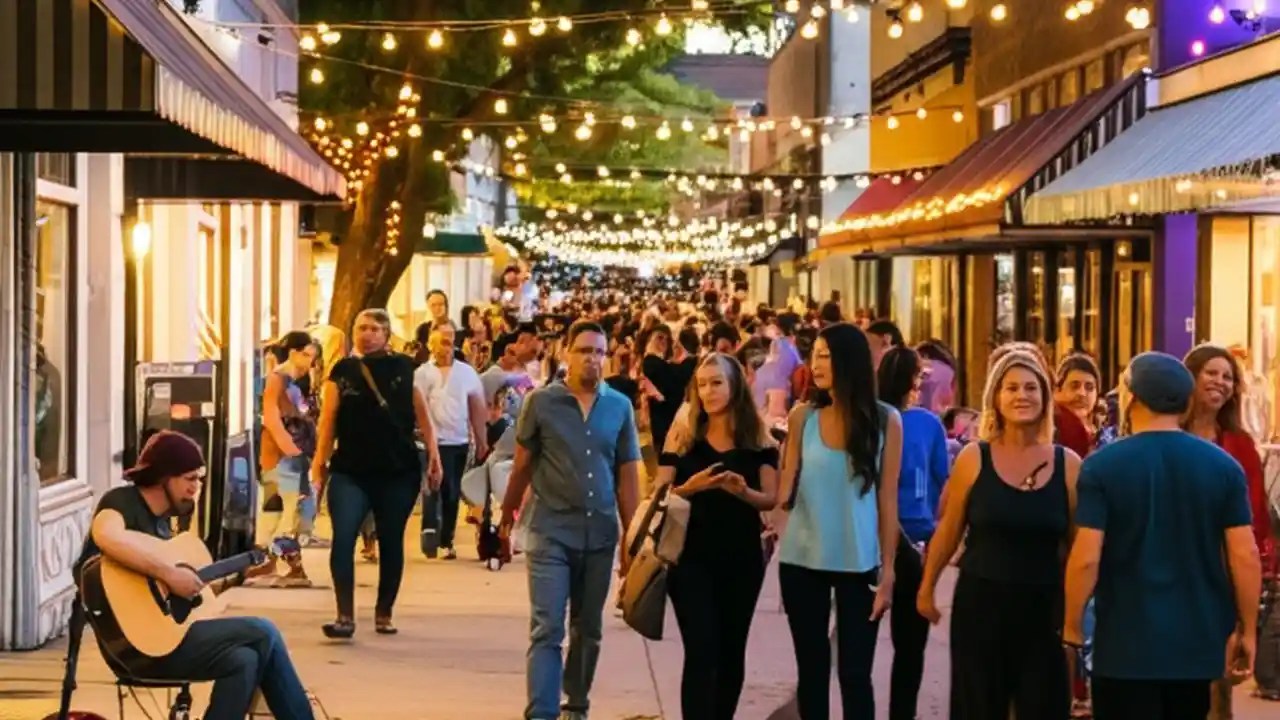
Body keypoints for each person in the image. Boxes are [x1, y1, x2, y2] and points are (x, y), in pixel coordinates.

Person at [1064, 352, 1263, 720]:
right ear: (1186, 401)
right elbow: (1244, 556)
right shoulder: (1224, 467)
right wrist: (1247, 629)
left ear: (1131, 397)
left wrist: (1072, 626)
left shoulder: (1102, 467)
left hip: (1124, 649)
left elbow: (1087, 557)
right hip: (1196, 648)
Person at [74, 431, 315, 720]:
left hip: (165, 641)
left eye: (198, 479)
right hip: (136, 648)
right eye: (189, 479)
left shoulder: (166, 530)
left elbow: (187, 606)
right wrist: (168, 574)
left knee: (244, 660)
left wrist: (240, 575)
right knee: (264, 629)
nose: (196, 487)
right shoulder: (121, 502)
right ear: (163, 476)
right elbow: (105, 535)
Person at [918, 348, 1080, 720]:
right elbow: (949, 529)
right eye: (1011, 388)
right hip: (982, 604)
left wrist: (1075, 613)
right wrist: (927, 587)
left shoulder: (1068, 465)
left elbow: (1078, 546)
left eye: (1030, 388)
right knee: (978, 707)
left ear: (1044, 397)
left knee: (1043, 706)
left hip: (1044, 609)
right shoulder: (975, 458)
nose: (1022, 395)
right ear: (996, 397)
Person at [499, 320, 643, 720]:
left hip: (599, 535)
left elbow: (628, 476)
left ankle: (576, 704)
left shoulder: (619, 406)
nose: (592, 359)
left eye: (599, 351)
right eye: (583, 350)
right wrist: (505, 518)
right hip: (550, 531)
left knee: (588, 629)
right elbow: (523, 467)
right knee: (547, 627)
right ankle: (541, 712)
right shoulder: (542, 402)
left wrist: (632, 539)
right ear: (565, 353)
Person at [774, 322, 903, 720]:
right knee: (812, 674)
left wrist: (888, 570)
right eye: (815, 355)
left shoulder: (885, 421)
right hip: (801, 561)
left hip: (859, 563)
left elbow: (887, 500)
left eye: (827, 356)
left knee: (855, 675)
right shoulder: (802, 418)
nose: (817, 365)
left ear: (850, 361)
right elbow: (784, 495)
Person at [657, 352, 778, 720]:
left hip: (741, 558)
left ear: (734, 385)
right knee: (701, 648)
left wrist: (742, 491)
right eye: (702, 384)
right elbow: (659, 496)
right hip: (690, 557)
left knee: (731, 649)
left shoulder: (759, 442)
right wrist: (689, 488)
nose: (709, 392)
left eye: (717, 383)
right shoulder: (683, 438)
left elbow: (771, 498)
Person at [311, 308, 443, 638]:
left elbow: (422, 415)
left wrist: (434, 455)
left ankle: (384, 612)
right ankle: (345, 616)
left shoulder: (404, 368)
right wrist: (318, 463)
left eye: (374, 328)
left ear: (386, 334)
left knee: (390, 539)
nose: (366, 334)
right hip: (350, 470)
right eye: (361, 327)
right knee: (342, 538)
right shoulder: (341, 371)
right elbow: (328, 420)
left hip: (397, 470)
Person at [1181, 344, 1274, 718]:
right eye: (1211, 373)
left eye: (1228, 377)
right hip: (1167, 568)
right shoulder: (1166, 432)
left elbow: (1255, 519)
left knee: (1216, 682)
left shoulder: (1240, 444)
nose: (1220, 382)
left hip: (1220, 574)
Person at [877, 347, 949, 720]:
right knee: (910, 647)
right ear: (912, 381)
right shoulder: (926, 423)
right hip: (916, 539)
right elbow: (943, 481)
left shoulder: (870, 419)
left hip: (871, 541)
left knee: (859, 647)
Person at [415, 320, 489, 560]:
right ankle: (429, 531)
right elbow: (418, 408)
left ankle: (447, 539)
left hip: (457, 442)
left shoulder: (467, 373)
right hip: (430, 442)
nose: (444, 348)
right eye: (439, 342)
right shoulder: (422, 374)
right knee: (431, 487)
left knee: (451, 491)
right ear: (430, 344)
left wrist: (482, 441)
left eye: (448, 342)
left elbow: (477, 408)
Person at [250, 331, 318, 586]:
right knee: (290, 510)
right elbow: (271, 417)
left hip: (282, 456)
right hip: (282, 456)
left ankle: (271, 563)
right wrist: (292, 450)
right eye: (307, 354)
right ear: (294, 352)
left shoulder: (292, 380)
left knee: (277, 510)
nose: (310, 361)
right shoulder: (278, 379)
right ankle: (291, 565)